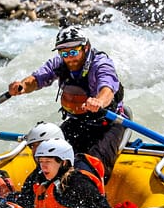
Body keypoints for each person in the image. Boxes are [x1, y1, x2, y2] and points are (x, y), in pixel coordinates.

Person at [7, 23, 128, 182]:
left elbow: (107, 88)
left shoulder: (101, 64)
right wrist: (22, 86)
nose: (69, 57)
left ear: (86, 48)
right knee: (48, 157)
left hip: (108, 124)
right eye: (64, 53)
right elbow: (36, 79)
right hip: (78, 122)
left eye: (73, 52)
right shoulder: (60, 63)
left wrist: (98, 101)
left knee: (91, 167)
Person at [13, 138, 113, 208]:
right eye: (41, 161)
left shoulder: (78, 182)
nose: (43, 166)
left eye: (48, 161)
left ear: (64, 162)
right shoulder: (38, 179)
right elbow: (24, 204)